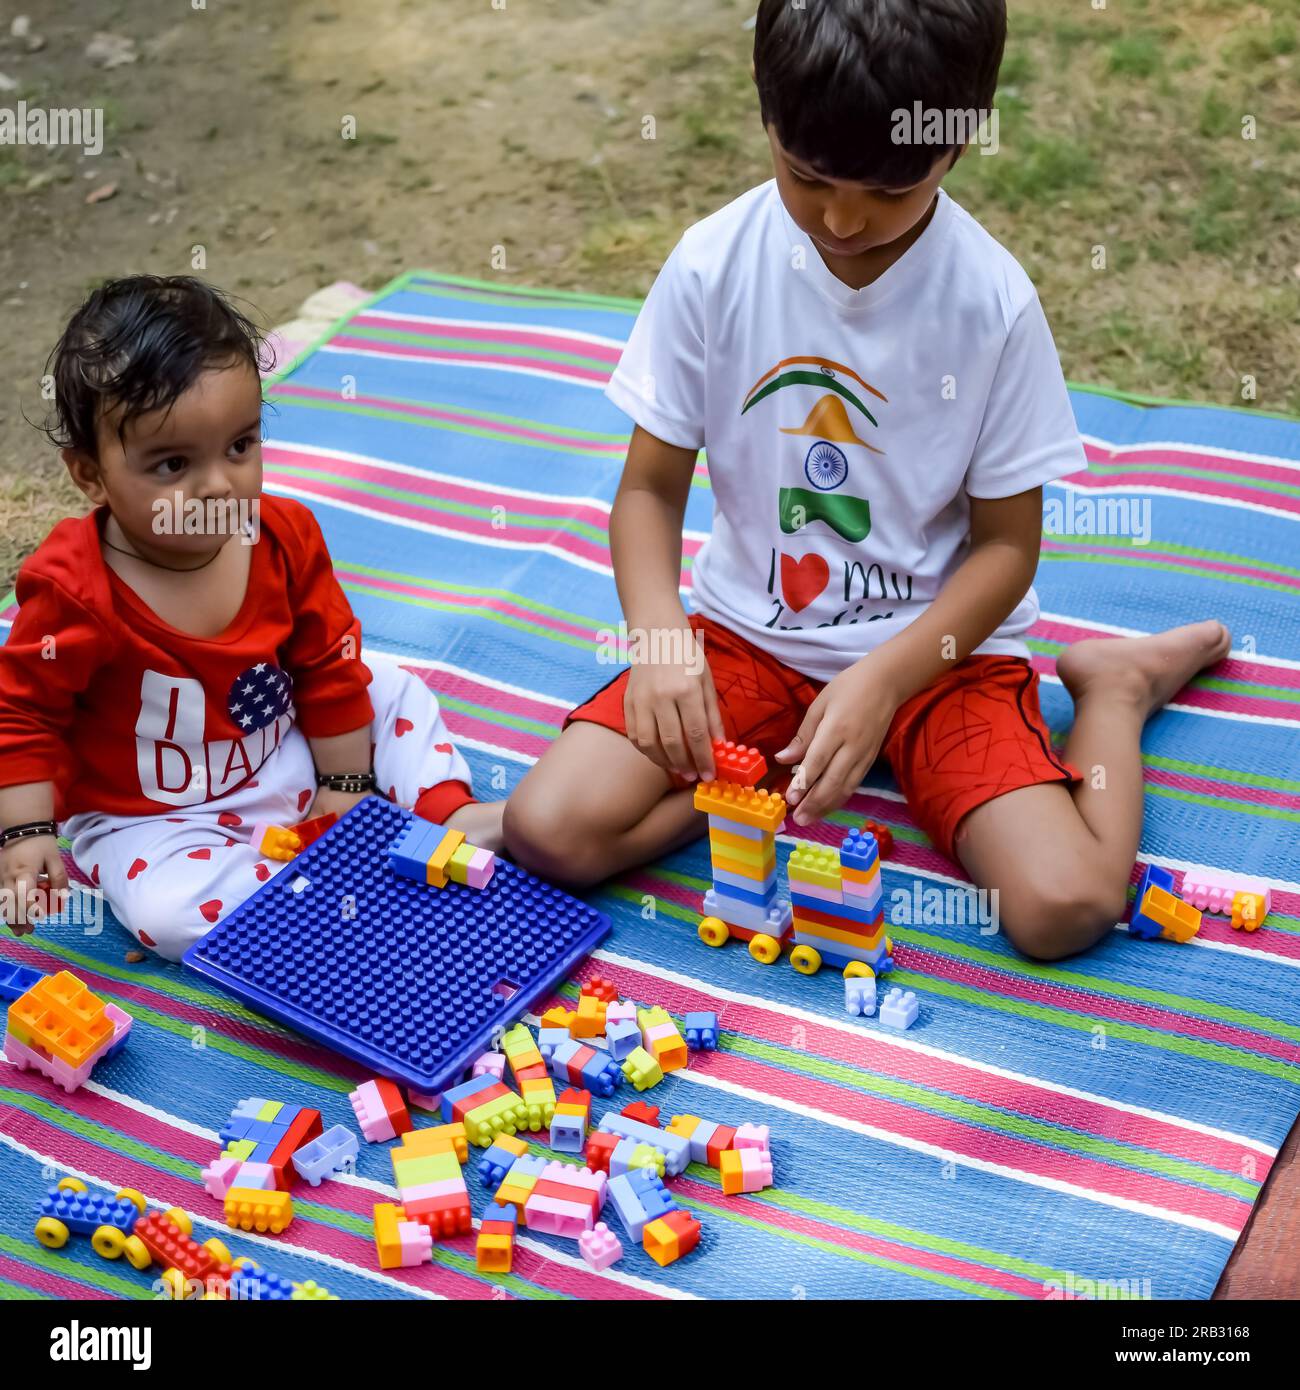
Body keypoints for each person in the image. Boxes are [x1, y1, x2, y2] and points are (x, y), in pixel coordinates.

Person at [504, 0, 1229, 960]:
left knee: (1067, 905)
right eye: (807, 178)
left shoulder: (992, 304)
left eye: (889, 190)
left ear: (956, 145)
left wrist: (886, 680)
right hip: (748, 644)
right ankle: (777, 760)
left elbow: (1008, 549)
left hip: (942, 660)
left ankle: (1116, 689)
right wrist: (660, 641)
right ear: (767, 118)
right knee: (546, 830)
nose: (843, 220)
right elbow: (646, 491)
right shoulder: (714, 266)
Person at [0, 275, 503, 960]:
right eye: (173, 463)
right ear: (90, 475)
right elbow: (25, 715)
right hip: (155, 818)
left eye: (240, 446)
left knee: (390, 688)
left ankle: (453, 814)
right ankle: (305, 903)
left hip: (290, 747)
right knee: (168, 913)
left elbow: (327, 663)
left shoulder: (283, 536)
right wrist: (24, 834)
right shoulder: (73, 590)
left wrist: (345, 786)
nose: (219, 483)